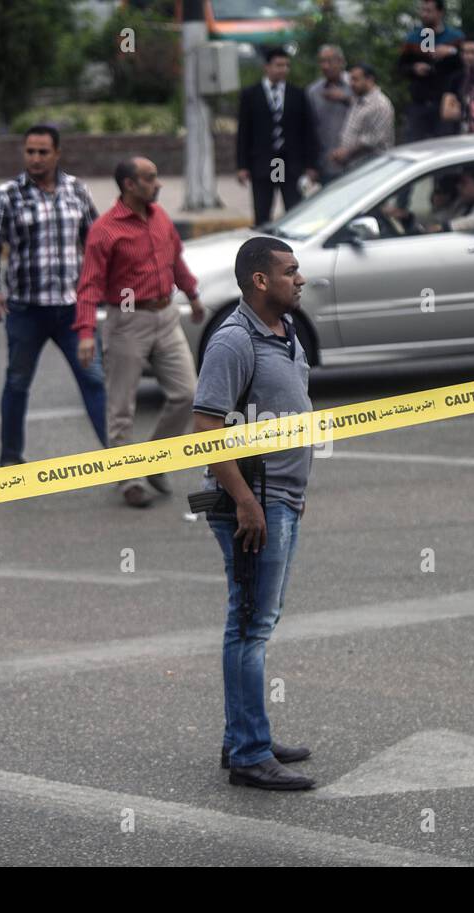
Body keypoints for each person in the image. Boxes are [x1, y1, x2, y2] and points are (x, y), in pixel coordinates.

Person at [192, 236, 315, 791]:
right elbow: (205, 430)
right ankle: (248, 752)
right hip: (253, 504)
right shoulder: (233, 342)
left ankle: (245, 733)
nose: (301, 279)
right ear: (260, 281)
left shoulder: (286, 333)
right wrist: (246, 501)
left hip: (280, 498)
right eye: (290, 272)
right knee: (250, 625)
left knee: (256, 622)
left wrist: (295, 491)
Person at [76, 157, 205, 509]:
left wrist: (192, 296)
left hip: (165, 315)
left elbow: (176, 259)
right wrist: (86, 331)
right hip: (127, 321)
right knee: (121, 407)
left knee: (188, 394)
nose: (158, 183)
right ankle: (127, 478)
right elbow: (88, 286)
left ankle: (154, 460)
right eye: (150, 178)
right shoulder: (105, 230)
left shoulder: (160, 217)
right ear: (129, 185)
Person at [0, 126, 106, 467]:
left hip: (73, 312)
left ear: (57, 154)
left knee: (94, 381)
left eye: (43, 152)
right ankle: (10, 459)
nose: (35, 158)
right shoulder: (6, 196)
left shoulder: (76, 190)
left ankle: (123, 465)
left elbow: (95, 243)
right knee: (17, 383)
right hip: (26, 311)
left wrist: (101, 290)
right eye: (30, 152)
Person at [236, 49, 320, 226]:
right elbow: (244, 131)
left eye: (286, 65)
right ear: (267, 67)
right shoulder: (251, 94)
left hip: (289, 162)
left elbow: (307, 131)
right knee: (262, 211)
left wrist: (311, 164)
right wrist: (242, 165)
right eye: (279, 65)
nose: (283, 70)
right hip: (263, 162)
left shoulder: (297, 94)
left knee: (294, 208)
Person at [397, 0, 465, 142]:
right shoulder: (413, 39)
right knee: (416, 144)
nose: (424, 14)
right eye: (423, 10)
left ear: (440, 12)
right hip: (420, 102)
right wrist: (414, 69)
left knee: (446, 144)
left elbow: (465, 65)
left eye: (429, 11)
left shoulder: (455, 38)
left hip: (445, 101)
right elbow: (400, 68)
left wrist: (451, 51)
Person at [327, 64, 395, 172]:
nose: (351, 84)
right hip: (354, 167)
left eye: (355, 80)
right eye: (351, 80)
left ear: (370, 80)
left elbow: (374, 138)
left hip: (373, 169)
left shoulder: (380, 104)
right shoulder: (358, 100)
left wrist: (346, 151)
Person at [306, 45, 353, 184]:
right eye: (322, 61)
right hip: (325, 165)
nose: (325, 66)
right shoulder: (313, 91)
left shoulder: (355, 85)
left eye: (330, 61)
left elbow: (369, 108)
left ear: (341, 62)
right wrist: (310, 165)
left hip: (355, 163)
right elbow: (308, 130)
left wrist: (346, 98)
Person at [439, 38, 474, 134]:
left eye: (473, 52)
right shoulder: (455, 79)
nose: (469, 56)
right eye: (466, 53)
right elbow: (447, 112)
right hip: (462, 131)